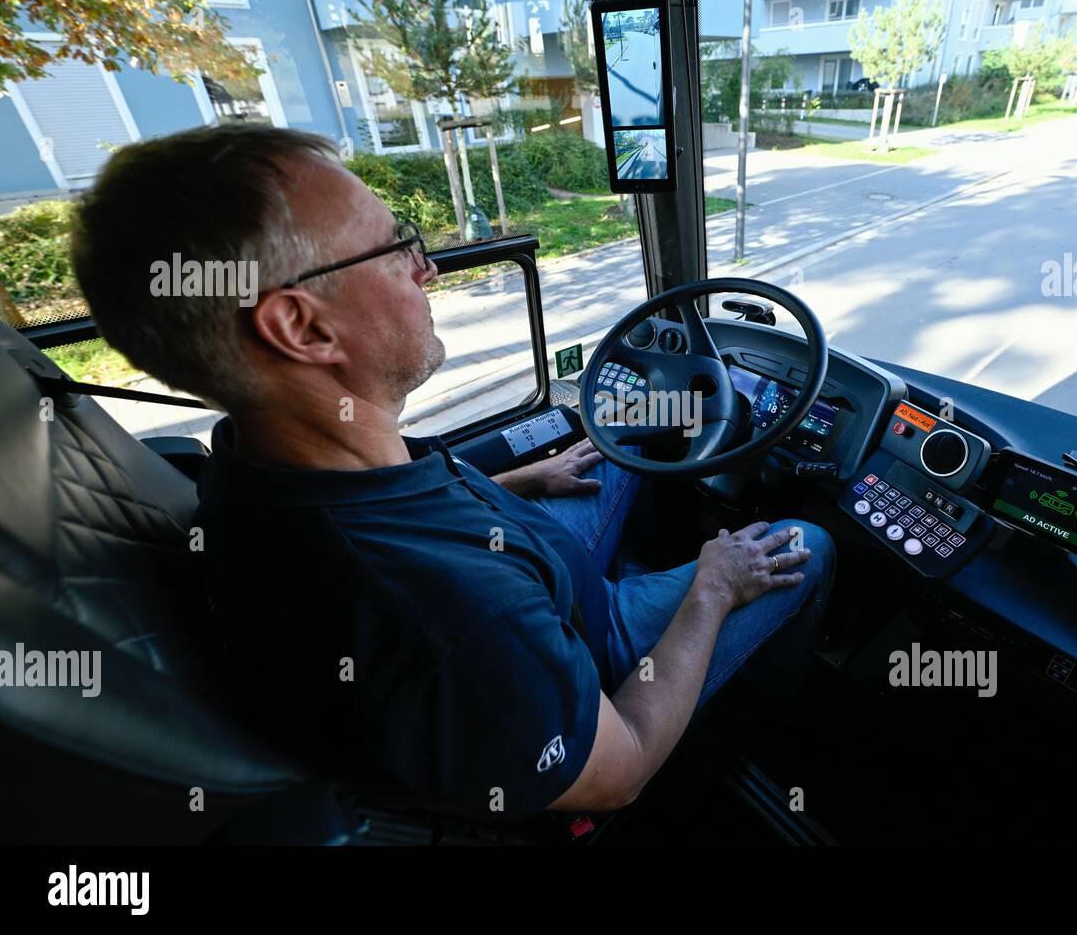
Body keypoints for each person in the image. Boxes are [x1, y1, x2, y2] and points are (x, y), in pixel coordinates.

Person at [70, 124, 836, 821]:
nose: (426, 267)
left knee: (619, 443)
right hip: (589, 654)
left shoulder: (262, 463)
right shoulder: (453, 617)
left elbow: (410, 509)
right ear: (302, 327)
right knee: (807, 543)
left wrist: (526, 479)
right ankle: (762, 713)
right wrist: (711, 590)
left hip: (534, 574)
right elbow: (619, 771)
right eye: (394, 247)